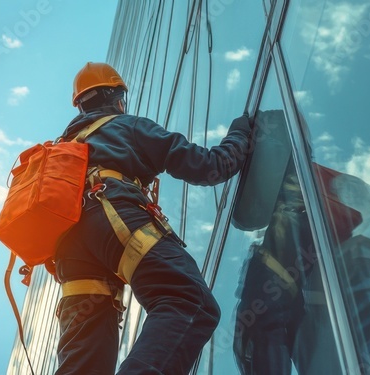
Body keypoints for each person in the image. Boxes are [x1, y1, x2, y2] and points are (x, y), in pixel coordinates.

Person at [53, 62, 253, 374]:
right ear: (117, 98)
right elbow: (209, 166)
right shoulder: (125, 126)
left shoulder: (63, 149)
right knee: (187, 301)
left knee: (84, 359)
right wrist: (241, 133)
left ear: (80, 106)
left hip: (69, 248)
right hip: (110, 212)